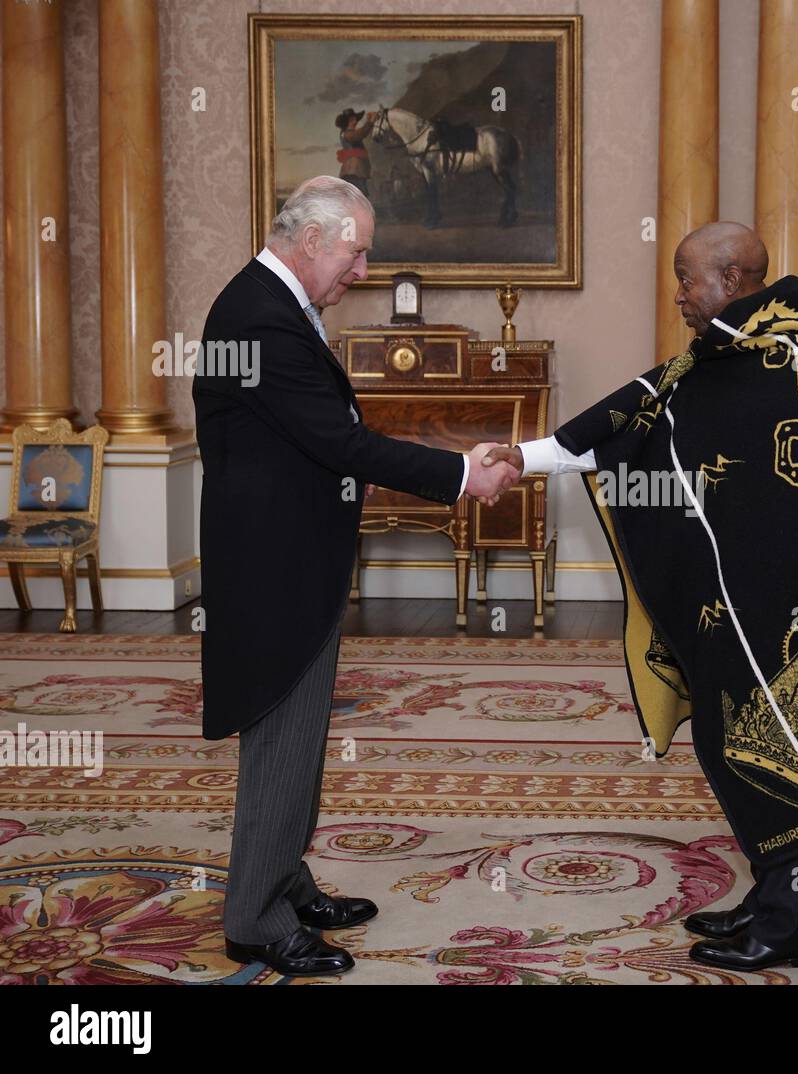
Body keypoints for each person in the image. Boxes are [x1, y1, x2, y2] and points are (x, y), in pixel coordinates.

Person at [478, 222, 798, 971]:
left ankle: (790, 925)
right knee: (739, 742)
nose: (679, 294)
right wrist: (527, 457)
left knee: (786, 749)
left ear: (730, 279)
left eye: (686, 278)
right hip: (744, 594)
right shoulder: (729, 352)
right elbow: (639, 411)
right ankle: (776, 900)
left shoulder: (788, 350)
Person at [194, 176, 517, 978]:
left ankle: (284, 879)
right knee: (281, 735)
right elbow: (337, 442)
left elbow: (309, 438)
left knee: (300, 739)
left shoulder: (271, 307)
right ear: (311, 241)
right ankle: (256, 920)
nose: (364, 269)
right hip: (274, 567)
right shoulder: (259, 316)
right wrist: (457, 474)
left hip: (292, 550)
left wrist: (345, 477)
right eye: (356, 250)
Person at [335, 109, 375, 196]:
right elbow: (359, 134)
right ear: (348, 121)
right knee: (358, 197)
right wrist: (370, 122)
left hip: (356, 172)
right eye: (352, 119)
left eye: (355, 119)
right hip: (353, 173)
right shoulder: (347, 134)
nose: (355, 121)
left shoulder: (348, 133)